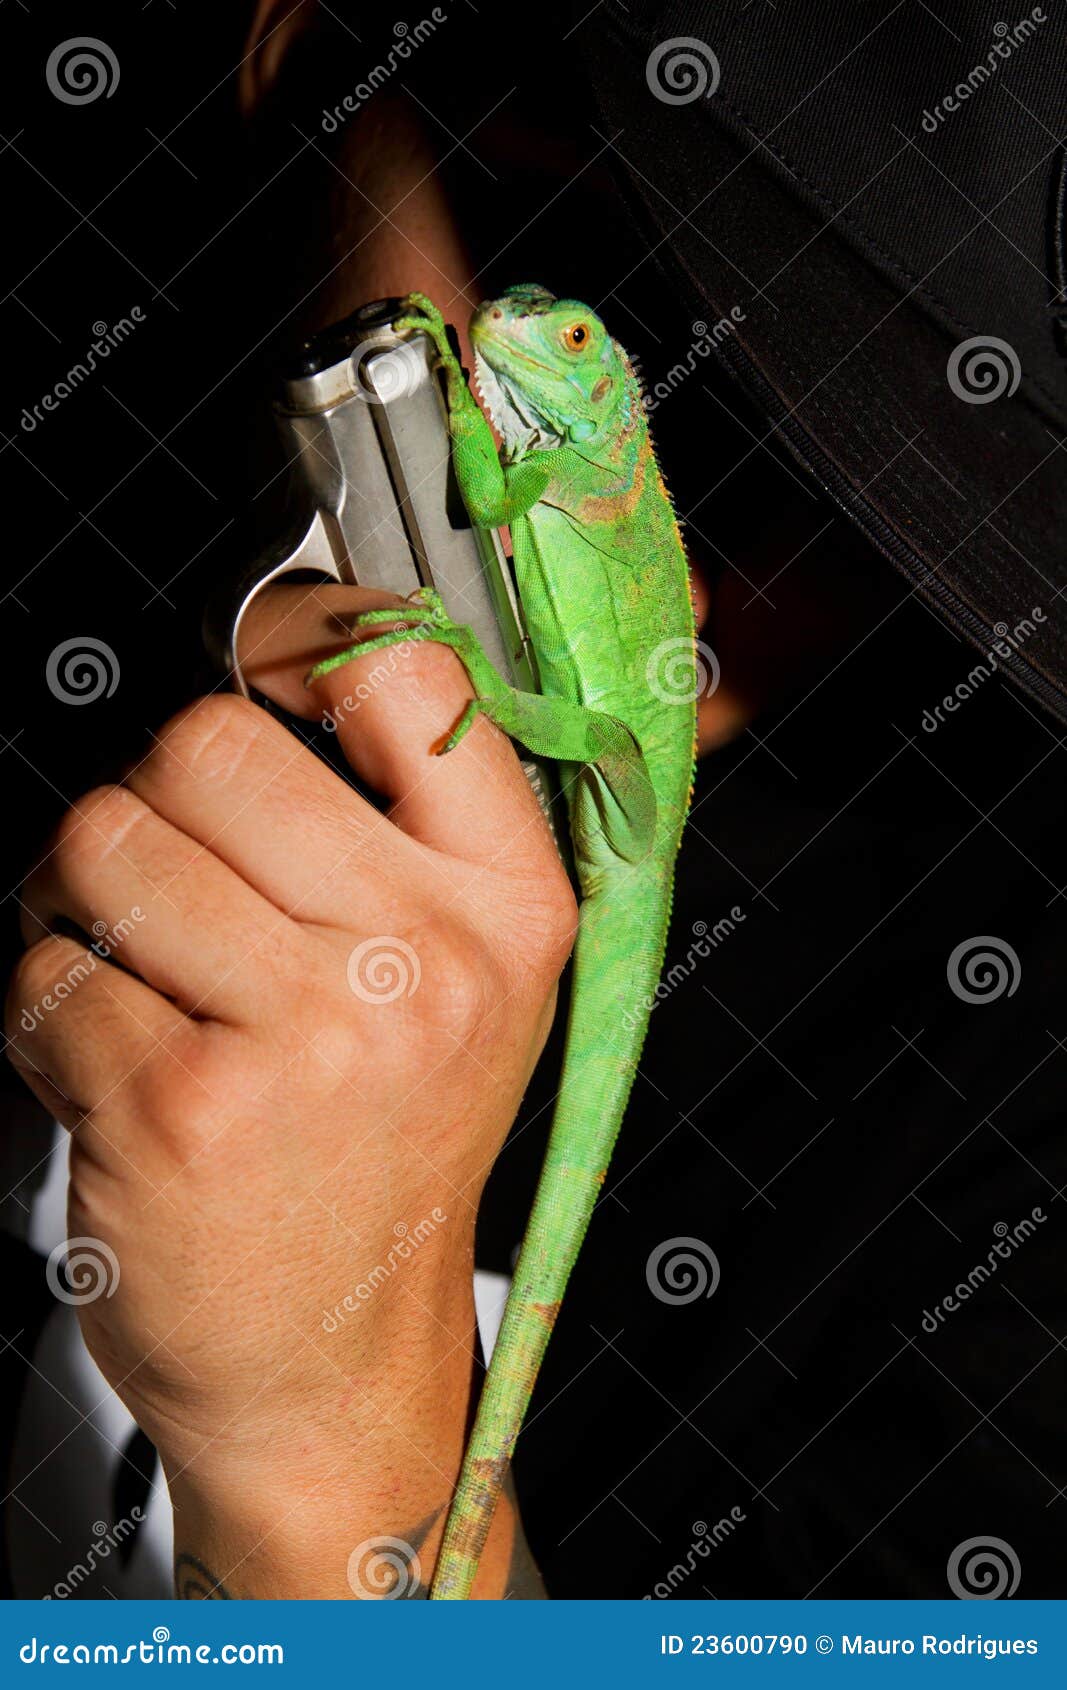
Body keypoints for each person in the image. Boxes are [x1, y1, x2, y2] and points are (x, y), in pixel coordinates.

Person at [3, 3, 1065, 1599]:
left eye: (875, 494)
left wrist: (339, 1460)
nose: (703, 556)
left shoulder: (994, 1084)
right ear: (289, 51)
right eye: (582, 249)